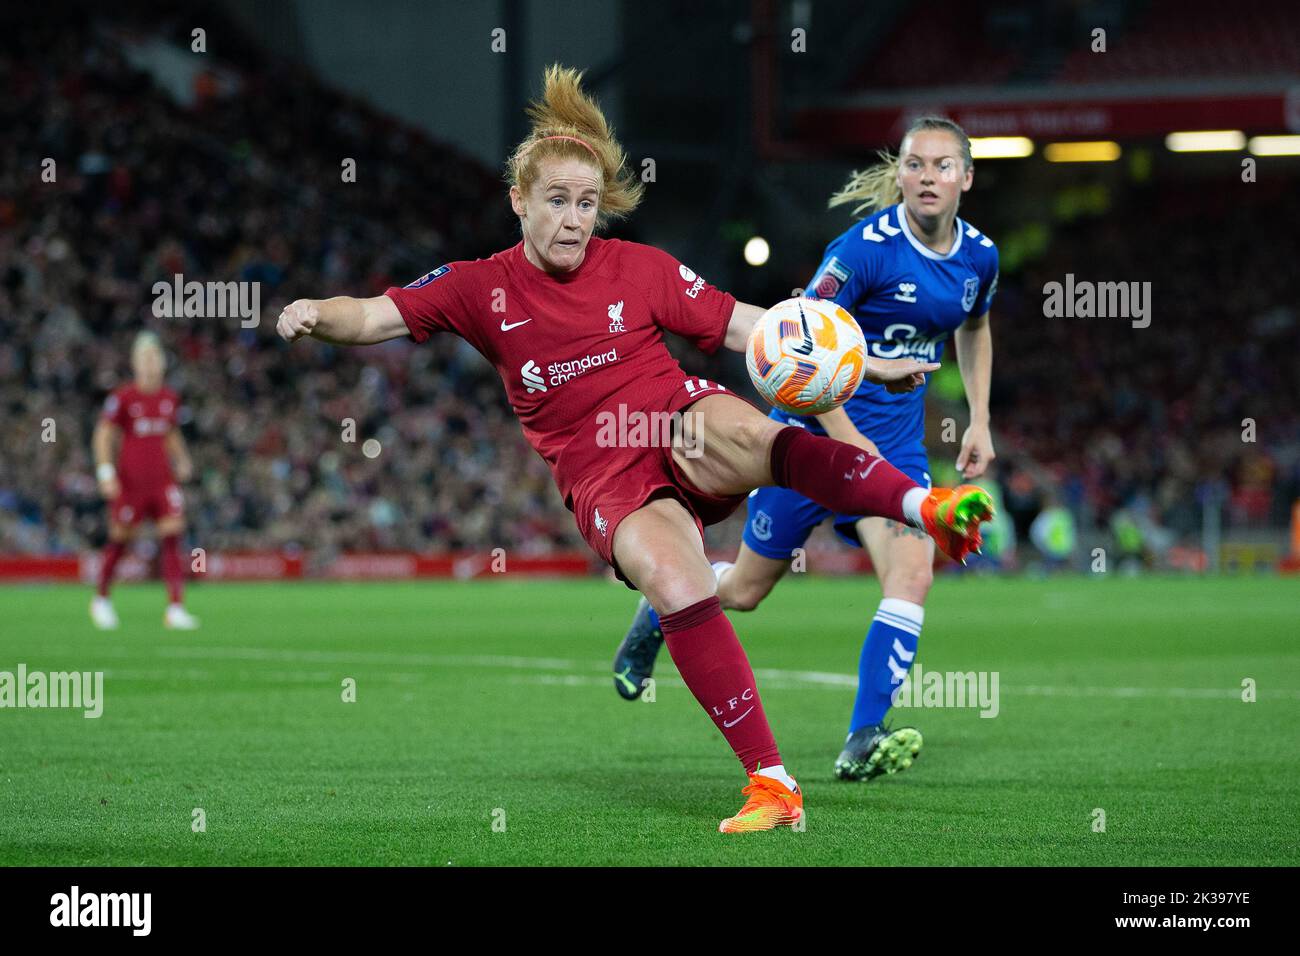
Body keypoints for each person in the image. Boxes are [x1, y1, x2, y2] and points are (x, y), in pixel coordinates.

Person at [275, 68, 991, 832]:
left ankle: (927, 504)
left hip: (674, 419)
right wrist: (317, 312)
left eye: (587, 203)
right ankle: (773, 786)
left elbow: (753, 326)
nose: (575, 220)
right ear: (518, 201)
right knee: (679, 582)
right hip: (603, 473)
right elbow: (374, 315)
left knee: (757, 432)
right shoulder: (478, 288)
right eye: (557, 202)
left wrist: (864, 358)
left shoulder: (639, 267)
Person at [613, 117, 999, 784]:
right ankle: (658, 611)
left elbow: (976, 325)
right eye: (915, 165)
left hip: (899, 445)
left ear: (966, 177)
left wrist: (979, 418)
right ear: (900, 174)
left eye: (942, 166)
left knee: (912, 574)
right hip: (809, 440)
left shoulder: (980, 257)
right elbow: (799, 341)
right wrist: (851, 453)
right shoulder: (862, 251)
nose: (927, 177)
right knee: (746, 590)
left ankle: (862, 736)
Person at [91, 331, 199, 630]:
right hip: (131, 482)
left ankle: (175, 607)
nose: (151, 364)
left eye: (155, 357)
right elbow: (103, 434)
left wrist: (183, 460)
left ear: (163, 362)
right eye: (145, 358)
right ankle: (101, 598)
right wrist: (105, 471)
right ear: (135, 363)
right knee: (120, 539)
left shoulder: (169, 398)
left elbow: (170, 433)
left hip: (162, 481)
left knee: (173, 536)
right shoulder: (123, 397)